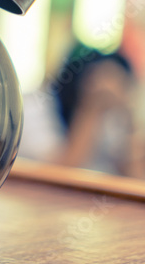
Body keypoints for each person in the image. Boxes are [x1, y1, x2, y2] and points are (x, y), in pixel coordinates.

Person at [20, 44, 145, 177]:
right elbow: (59, 174)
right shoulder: (35, 107)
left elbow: (134, 176)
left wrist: (128, 117)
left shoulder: (110, 115)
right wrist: (91, 108)